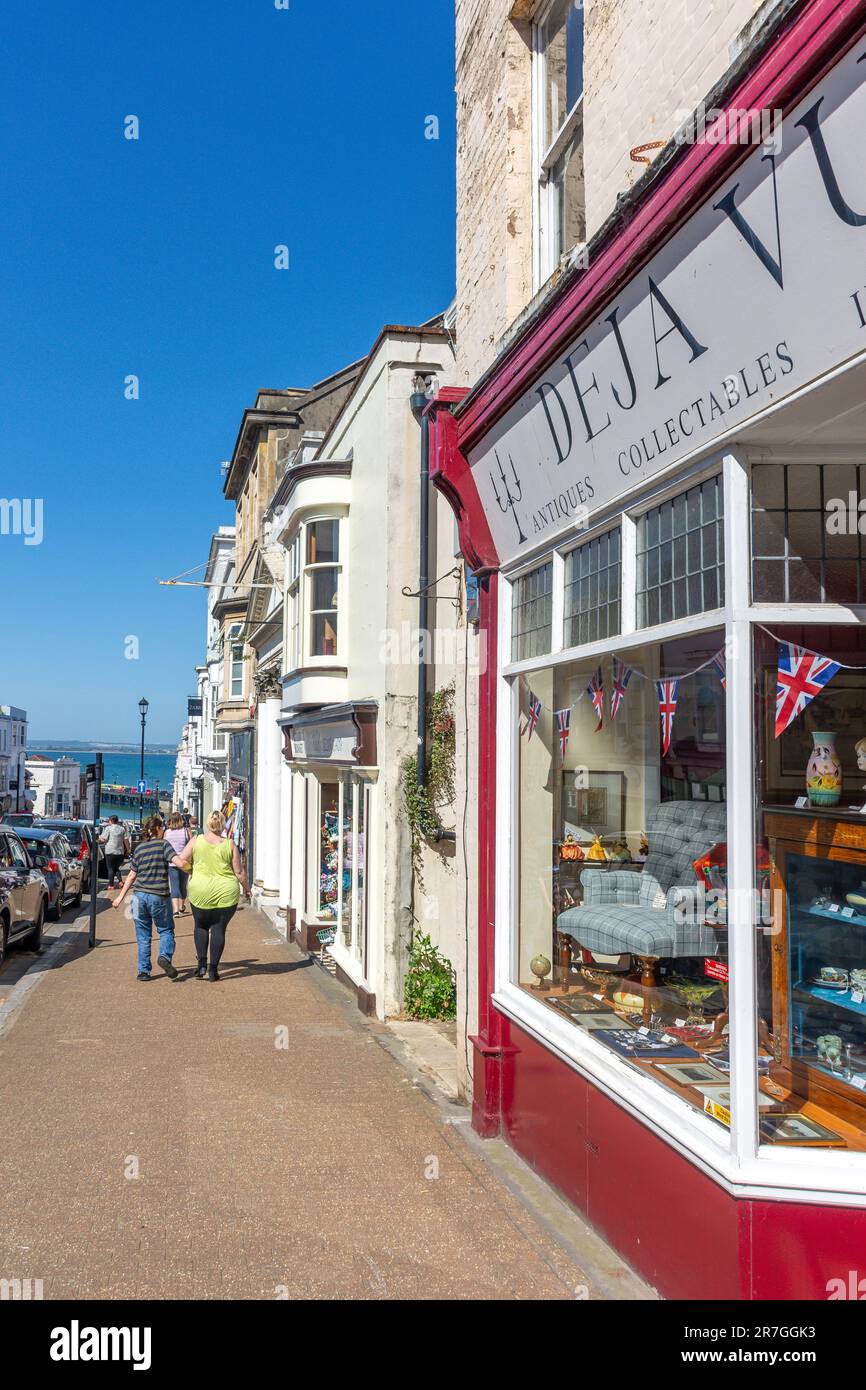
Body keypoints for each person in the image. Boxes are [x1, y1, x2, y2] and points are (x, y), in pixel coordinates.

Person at [170, 809, 249, 981]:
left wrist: (192, 870)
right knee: (219, 929)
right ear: (222, 825)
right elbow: (239, 872)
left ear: (208, 823)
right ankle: (213, 970)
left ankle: (201, 966)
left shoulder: (196, 841)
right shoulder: (229, 844)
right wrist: (247, 889)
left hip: (200, 890)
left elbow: (182, 861)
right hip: (226, 893)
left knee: (200, 926)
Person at [112, 815, 178, 982]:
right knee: (165, 930)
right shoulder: (164, 845)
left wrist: (120, 897)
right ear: (157, 829)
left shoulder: (140, 848)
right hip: (158, 895)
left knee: (143, 935)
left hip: (139, 896)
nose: (164, 830)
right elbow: (177, 861)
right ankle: (164, 956)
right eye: (162, 827)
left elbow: (132, 875)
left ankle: (143, 971)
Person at [164, 812, 191, 916]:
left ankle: (175, 910)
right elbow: (191, 844)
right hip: (184, 862)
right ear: (181, 820)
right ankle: (181, 906)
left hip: (172, 862)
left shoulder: (167, 832)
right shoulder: (185, 831)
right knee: (183, 885)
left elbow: (164, 845)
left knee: (174, 886)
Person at [99, 815, 129, 889]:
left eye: (109, 820)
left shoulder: (108, 828)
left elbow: (104, 839)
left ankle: (111, 885)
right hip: (120, 852)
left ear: (111, 821)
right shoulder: (122, 829)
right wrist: (128, 849)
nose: (108, 822)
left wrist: (98, 839)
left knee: (110, 868)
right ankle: (120, 882)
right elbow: (126, 840)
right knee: (116, 868)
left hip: (110, 851)